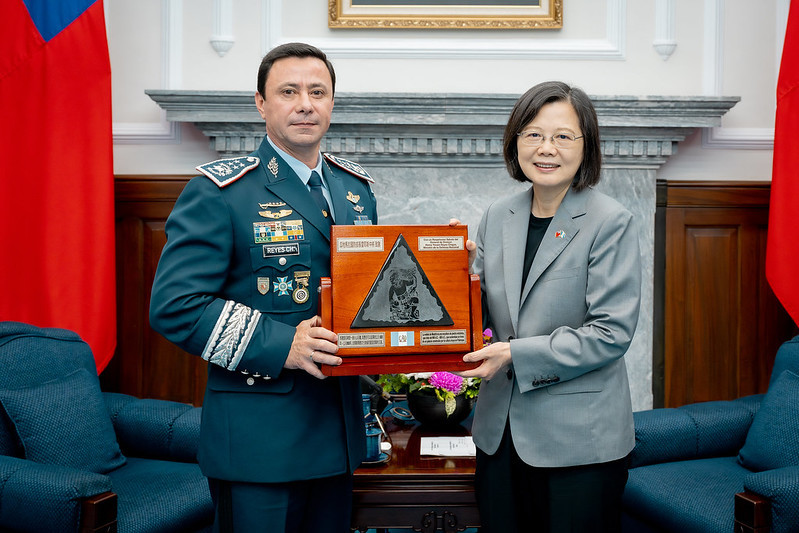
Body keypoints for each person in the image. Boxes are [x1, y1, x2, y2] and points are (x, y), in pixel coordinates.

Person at [149, 42, 378, 532]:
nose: (305, 104)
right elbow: (174, 306)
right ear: (261, 102)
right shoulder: (220, 191)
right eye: (289, 91)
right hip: (259, 442)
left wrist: (440, 272)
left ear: (332, 102)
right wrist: (284, 345)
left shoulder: (355, 190)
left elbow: (360, 295)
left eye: (318, 92)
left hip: (337, 434)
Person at [459, 81, 641, 532]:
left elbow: (610, 334)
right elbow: (483, 321)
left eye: (563, 136)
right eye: (533, 134)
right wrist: (458, 278)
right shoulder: (499, 215)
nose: (546, 148)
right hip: (499, 435)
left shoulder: (609, 221)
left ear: (586, 146)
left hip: (579, 442)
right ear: (515, 141)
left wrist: (515, 354)